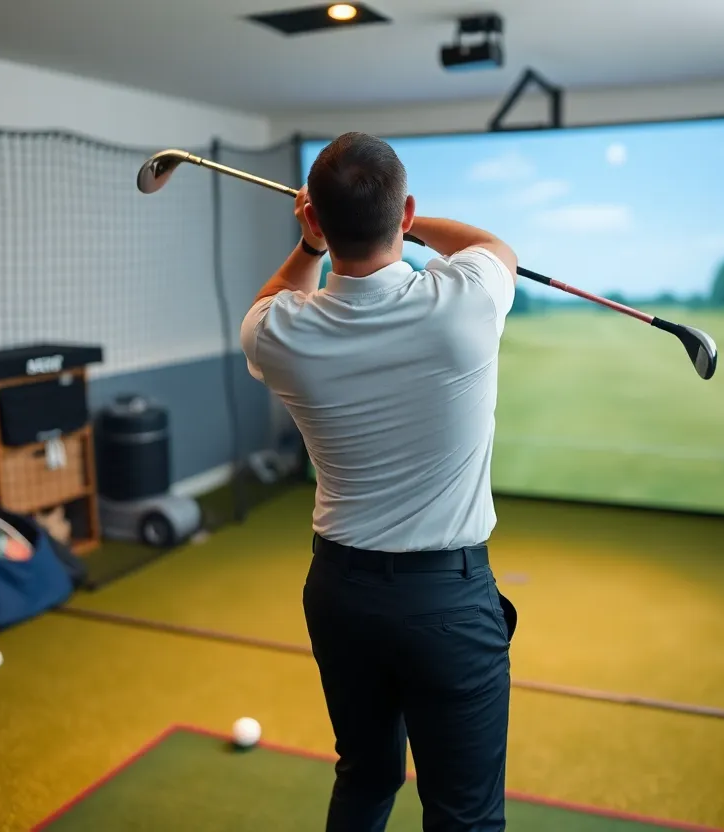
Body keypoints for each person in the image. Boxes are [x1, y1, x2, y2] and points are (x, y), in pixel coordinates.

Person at [239, 131, 519, 832]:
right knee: (466, 817)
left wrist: (313, 244)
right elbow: (493, 245)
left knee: (365, 776)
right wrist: (403, 221)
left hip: (341, 597)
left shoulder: (281, 333)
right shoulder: (464, 302)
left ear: (318, 223)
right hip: (447, 604)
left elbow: (269, 301)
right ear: (406, 211)